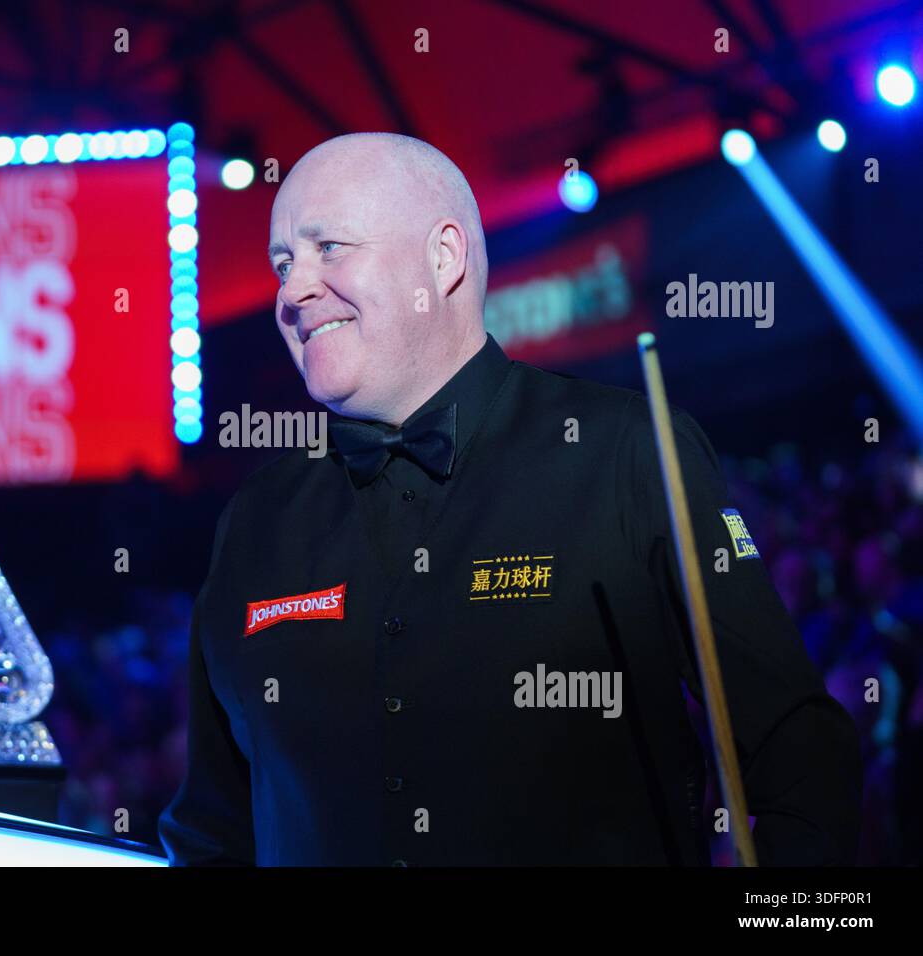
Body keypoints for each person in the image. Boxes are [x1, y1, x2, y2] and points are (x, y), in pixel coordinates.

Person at [158, 132, 861, 865]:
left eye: (328, 247)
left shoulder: (627, 450)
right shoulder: (256, 522)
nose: (292, 290)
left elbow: (796, 751)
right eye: (282, 263)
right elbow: (213, 828)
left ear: (444, 257)